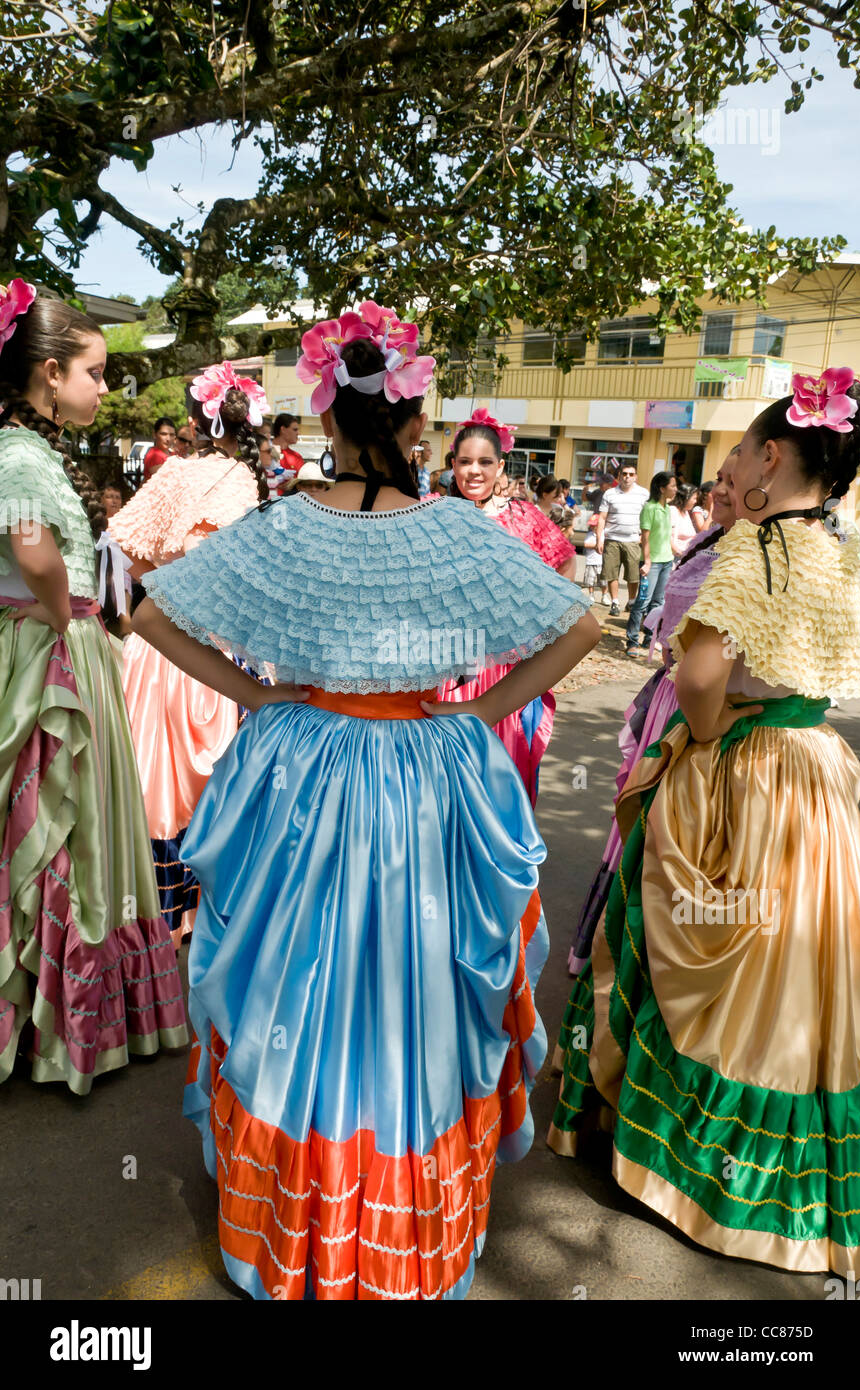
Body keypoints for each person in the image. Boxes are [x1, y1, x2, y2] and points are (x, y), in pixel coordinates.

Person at [131, 299, 601, 1301]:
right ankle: (401, 1233)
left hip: (305, 763)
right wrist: (476, 719)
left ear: (329, 422)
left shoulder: (284, 525)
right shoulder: (454, 535)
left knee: (299, 979)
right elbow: (584, 621)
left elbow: (150, 610)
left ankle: (294, 1220)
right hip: (425, 769)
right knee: (414, 986)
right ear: (416, 424)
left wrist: (261, 698)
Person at [550, 369, 860, 1277]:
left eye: (734, 451)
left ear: (770, 456)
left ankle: (687, 1172)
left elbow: (697, 677)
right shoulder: (840, 554)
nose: (726, 468)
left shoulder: (753, 549)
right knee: (800, 973)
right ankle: (791, 1195)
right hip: (820, 776)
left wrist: (708, 735)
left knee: (698, 958)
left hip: (752, 767)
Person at [0, 279, 187, 1091]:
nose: (105, 388)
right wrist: (63, 613)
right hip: (49, 649)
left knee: (60, 821)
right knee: (58, 822)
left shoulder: (26, 447)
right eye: (97, 372)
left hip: (54, 639)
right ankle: (53, 1029)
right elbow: (33, 546)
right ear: (49, 373)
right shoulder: (16, 451)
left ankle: (59, 1016)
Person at [109, 362, 267, 946]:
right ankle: (201, 910)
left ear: (198, 419)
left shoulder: (175, 473)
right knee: (214, 772)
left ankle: (156, 911)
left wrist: (165, 586)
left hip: (162, 644)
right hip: (215, 647)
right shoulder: (246, 481)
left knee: (157, 776)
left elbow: (124, 543)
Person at [567, 451, 738, 975]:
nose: (723, 490)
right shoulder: (711, 539)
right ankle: (612, 947)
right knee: (640, 815)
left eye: (735, 478)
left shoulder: (757, 552)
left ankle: (656, 961)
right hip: (668, 695)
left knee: (681, 831)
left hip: (703, 708)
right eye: (721, 480)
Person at [442, 409, 580, 806]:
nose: (474, 471)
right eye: (465, 461)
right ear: (452, 464)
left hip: (504, 668)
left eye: (485, 462)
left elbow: (565, 561)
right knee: (446, 772)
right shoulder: (433, 512)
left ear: (500, 466)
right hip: (445, 662)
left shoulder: (522, 515)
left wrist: (542, 626)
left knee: (495, 770)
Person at [625, 471, 677, 656]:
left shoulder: (667, 509)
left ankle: (649, 638)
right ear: (662, 488)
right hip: (652, 563)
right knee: (642, 601)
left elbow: (666, 537)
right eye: (672, 486)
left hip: (666, 561)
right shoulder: (650, 508)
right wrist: (646, 562)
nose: (675, 489)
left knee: (658, 602)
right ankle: (632, 640)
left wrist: (678, 552)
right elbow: (645, 538)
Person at [595, 463, 649, 616]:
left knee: (633, 575)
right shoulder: (609, 494)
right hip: (612, 539)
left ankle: (631, 602)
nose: (627, 477)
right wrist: (600, 538)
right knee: (611, 573)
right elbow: (602, 518)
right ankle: (615, 602)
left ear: (636, 477)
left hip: (633, 540)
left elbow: (648, 517)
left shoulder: (643, 494)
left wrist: (643, 536)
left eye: (631, 474)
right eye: (624, 474)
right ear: (619, 476)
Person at [670, 482, 698, 557]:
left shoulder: (686, 512)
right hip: (676, 556)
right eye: (694, 498)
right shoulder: (672, 511)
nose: (696, 501)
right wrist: (678, 551)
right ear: (686, 497)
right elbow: (667, 536)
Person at [273, 412, 304, 480]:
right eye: (295, 430)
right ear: (283, 429)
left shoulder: (297, 457)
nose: (298, 433)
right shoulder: (263, 452)